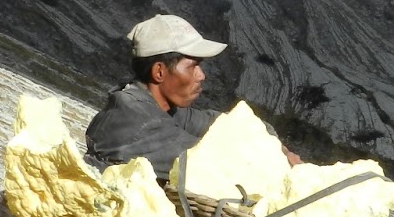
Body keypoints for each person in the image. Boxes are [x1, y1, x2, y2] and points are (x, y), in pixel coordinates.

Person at [85, 14, 299, 179]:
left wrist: (277, 146)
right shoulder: (135, 119)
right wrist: (278, 161)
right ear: (159, 72)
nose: (201, 75)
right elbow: (214, 163)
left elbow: (225, 124)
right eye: (192, 66)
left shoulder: (162, 108)